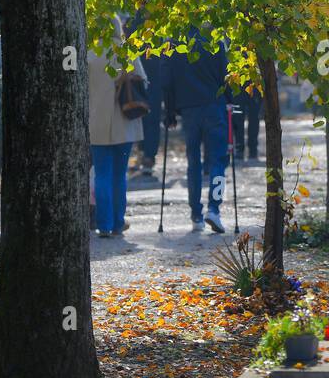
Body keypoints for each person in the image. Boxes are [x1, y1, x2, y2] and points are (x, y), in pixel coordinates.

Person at [160, 27, 230, 233]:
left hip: (189, 109)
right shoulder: (214, 38)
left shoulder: (173, 42)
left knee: (193, 162)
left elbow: (166, 80)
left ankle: (196, 214)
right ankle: (214, 209)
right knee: (218, 160)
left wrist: (170, 111)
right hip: (214, 106)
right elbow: (226, 75)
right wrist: (229, 103)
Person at [88, 17, 146, 238]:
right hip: (125, 120)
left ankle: (103, 224)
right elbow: (142, 80)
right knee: (119, 175)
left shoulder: (90, 54)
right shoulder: (126, 52)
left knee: (102, 173)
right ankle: (118, 222)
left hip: (97, 122)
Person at [231, 84, 263, 162]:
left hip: (254, 83)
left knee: (254, 118)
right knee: (238, 118)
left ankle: (252, 149)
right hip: (238, 83)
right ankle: (239, 148)